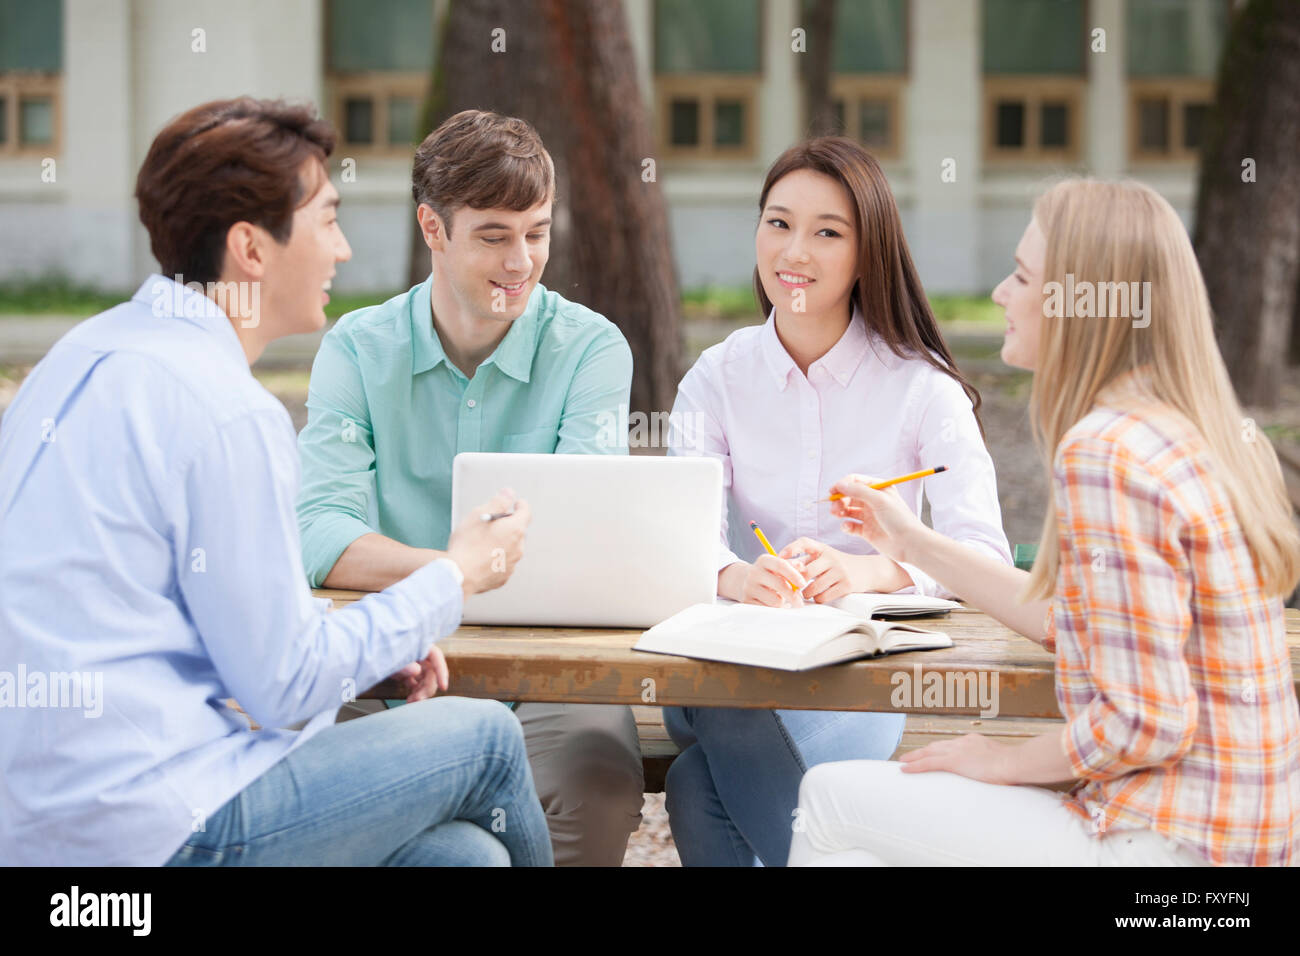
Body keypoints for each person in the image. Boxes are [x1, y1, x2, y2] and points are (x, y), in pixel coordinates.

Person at [0, 97, 552, 867]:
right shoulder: (223, 409)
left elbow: (229, 632)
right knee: (486, 736)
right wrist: (451, 578)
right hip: (155, 831)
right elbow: (283, 688)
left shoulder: (77, 359)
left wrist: (373, 642)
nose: (344, 250)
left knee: (464, 860)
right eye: (327, 219)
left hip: (47, 828)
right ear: (251, 249)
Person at [791, 178, 1300, 867]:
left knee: (829, 799)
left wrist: (998, 759)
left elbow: (1144, 722)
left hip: (1168, 850)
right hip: (1246, 842)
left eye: (1023, 275)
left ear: (1077, 306)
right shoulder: (1189, 433)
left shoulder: (1106, 452)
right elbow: (1072, 622)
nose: (1002, 293)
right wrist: (907, 540)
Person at [295, 109, 644, 866]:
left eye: (538, 232)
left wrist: (442, 568)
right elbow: (318, 534)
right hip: (388, 666)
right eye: (494, 235)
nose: (522, 260)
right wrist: (454, 572)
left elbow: (584, 536)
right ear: (433, 227)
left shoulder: (589, 351)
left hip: (548, 677)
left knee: (600, 779)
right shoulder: (356, 349)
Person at [663, 136, 1012, 866]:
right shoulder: (717, 378)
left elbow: (985, 557)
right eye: (778, 223)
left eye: (828, 232)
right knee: (728, 701)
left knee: (696, 785)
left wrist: (868, 571)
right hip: (732, 653)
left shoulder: (922, 390)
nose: (795, 251)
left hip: (854, 673)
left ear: (867, 253)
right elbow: (679, 532)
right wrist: (735, 577)